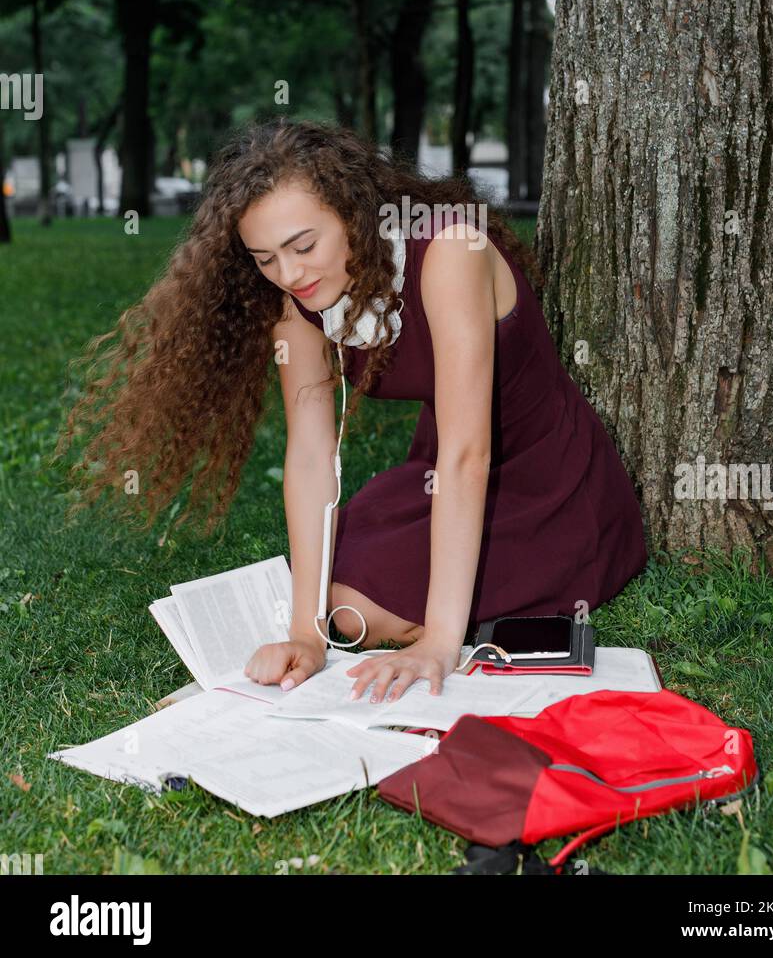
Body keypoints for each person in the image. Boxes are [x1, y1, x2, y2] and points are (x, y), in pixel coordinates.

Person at [56, 117, 647, 705]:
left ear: (355, 212)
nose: (289, 274)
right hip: (437, 474)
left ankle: (465, 615)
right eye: (264, 258)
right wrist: (305, 636)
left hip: (547, 476)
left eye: (303, 246)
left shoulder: (450, 252)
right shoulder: (297, 304)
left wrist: (440, 642)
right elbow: (312, 455)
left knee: (359, 608)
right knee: (327, 595)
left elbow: (471, 452)